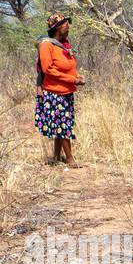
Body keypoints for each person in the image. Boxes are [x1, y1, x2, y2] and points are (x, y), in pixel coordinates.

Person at [35, 14, 84, 167]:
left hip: (66, 91)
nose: (68, 27)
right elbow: (48, 70)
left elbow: (68, 65)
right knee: (63, 125)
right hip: (54, 93)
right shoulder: (46, 45)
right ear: (57, 28)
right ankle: (70, 159)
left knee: (61, 124)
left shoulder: (62, 44)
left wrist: (77, 76)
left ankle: (56, 156)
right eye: (65, 25)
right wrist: (73, 80)